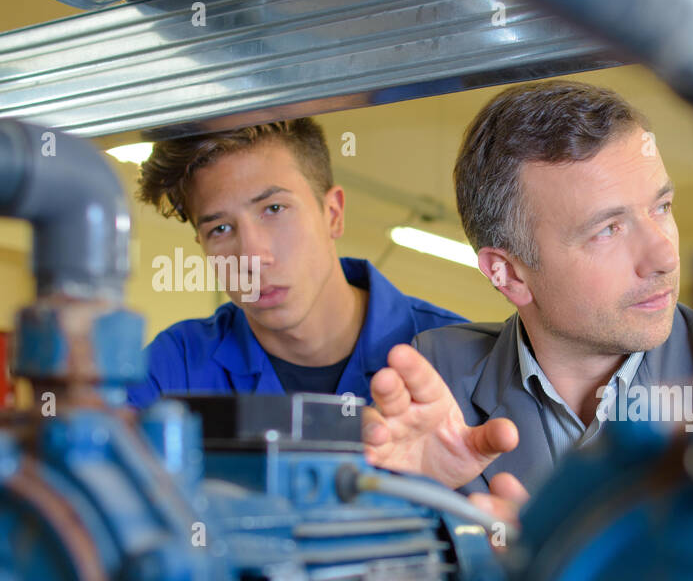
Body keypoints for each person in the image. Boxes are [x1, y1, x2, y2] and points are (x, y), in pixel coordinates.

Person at [361, 80, 693, 510]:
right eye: (608, 229)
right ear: (508, 274)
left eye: (661, 208)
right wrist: (408, 505)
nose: (665, 256)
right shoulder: (438, 379)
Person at [127, 118, 465, 407]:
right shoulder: (174, 370)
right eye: (221, 229)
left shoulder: (461, 357)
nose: (252, 258)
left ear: (332, 214)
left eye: (274, 209)